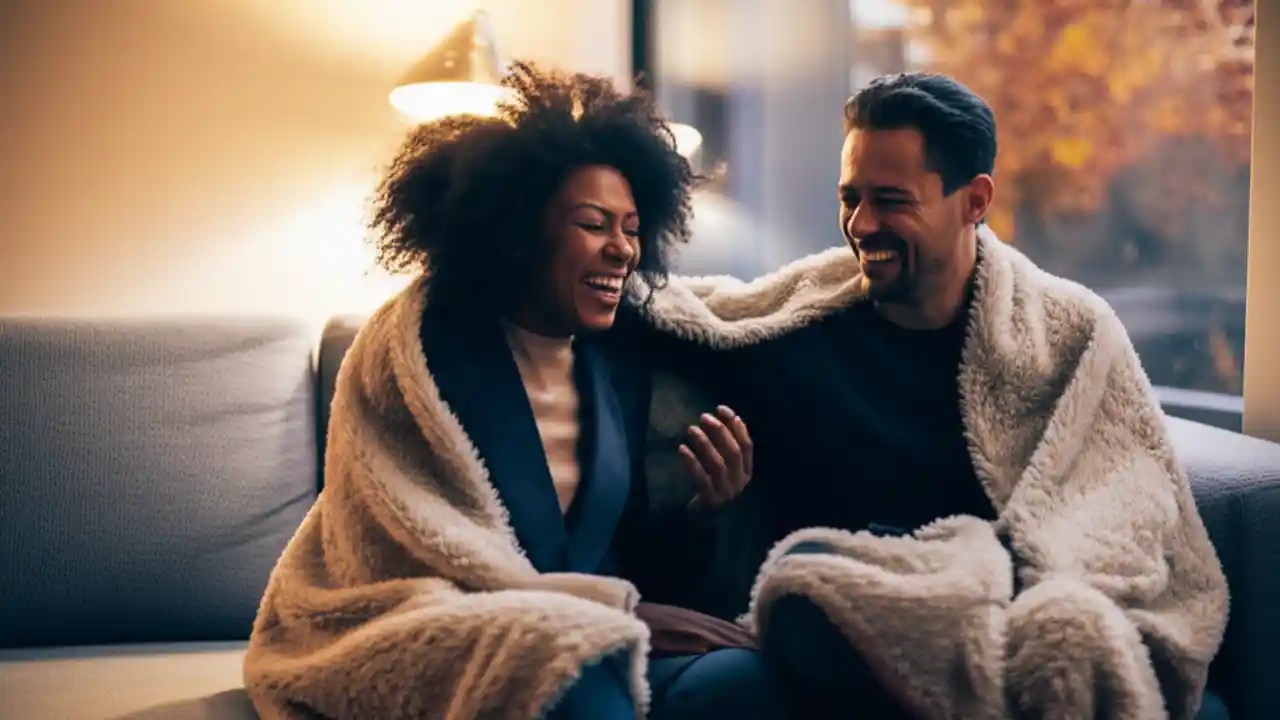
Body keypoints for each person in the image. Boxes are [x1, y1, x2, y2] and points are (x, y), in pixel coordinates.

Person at [614, 72, 1230, 719]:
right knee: (811, 583)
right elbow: (675, 316)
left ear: (975, 200)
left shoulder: (1067, 335)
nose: (861, 224)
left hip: (997, 609)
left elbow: (1120, 510)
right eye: (849, 197)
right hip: (831, 618)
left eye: (891, 200)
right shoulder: (795, 336)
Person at [242, 62, 788, 720]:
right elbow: (400, 559)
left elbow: (623, 558)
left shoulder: (617, 365)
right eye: (594, 224)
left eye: (632, 229)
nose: (622, 251)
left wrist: (705, 512)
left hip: (600, 636)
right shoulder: (419, 357)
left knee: (744, 679)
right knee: (576, 687)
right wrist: (606, 615)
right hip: (474, 637)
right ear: (520, 231)